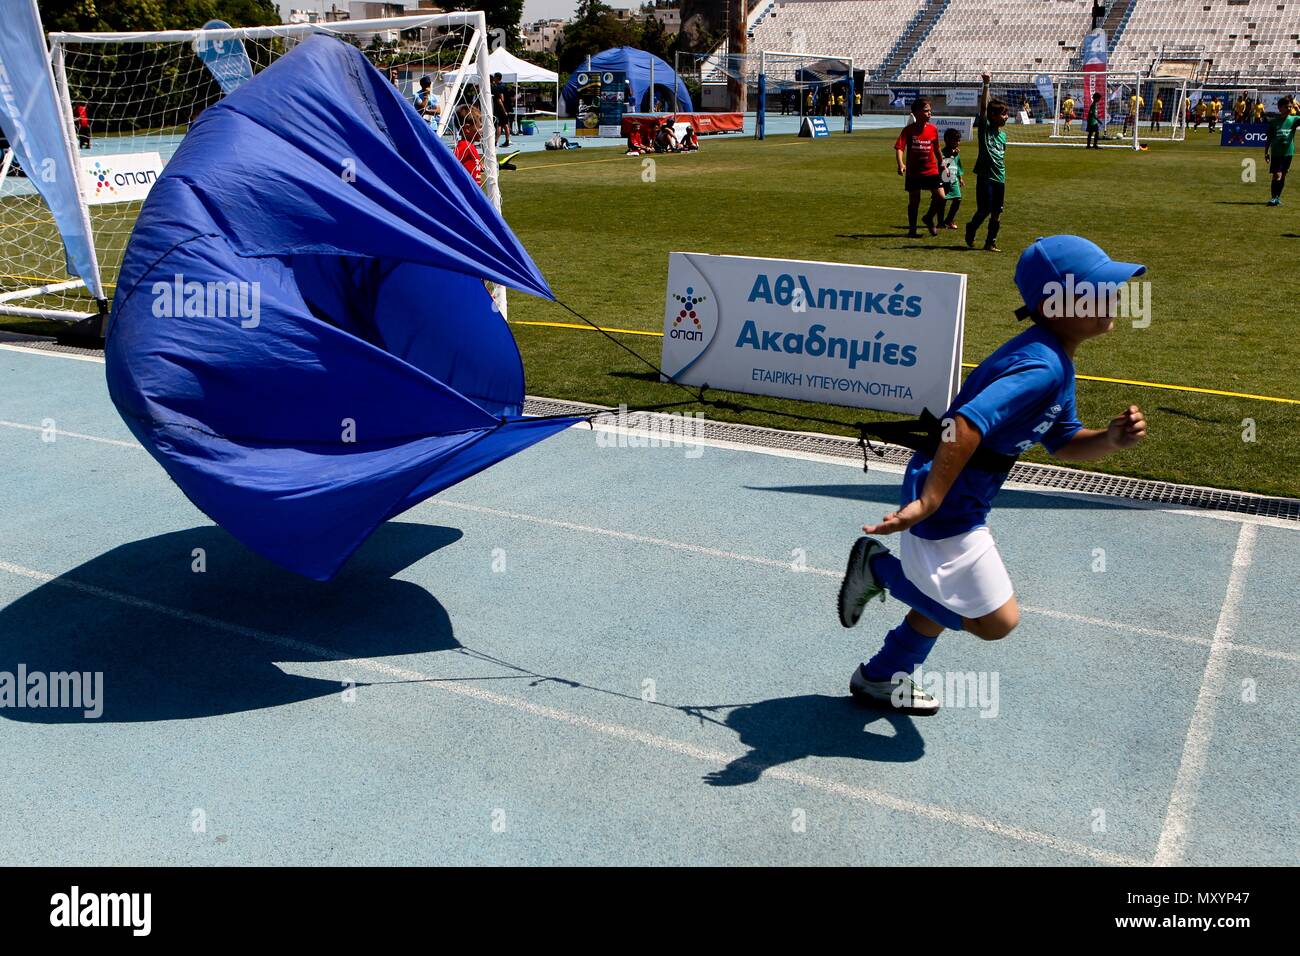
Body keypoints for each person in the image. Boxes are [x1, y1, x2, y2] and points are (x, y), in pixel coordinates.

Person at [836, 235, 1148, 714]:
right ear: (1056, 303)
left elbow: (1062, 440)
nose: (1113, 297)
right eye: (1098, 288)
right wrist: (933, 500)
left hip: (960, 495)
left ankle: (881, 677)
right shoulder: (1042, 365)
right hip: (949, 501)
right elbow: (964, 425)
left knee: (947, 598)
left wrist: (1109, 439)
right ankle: (876, 568)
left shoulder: (1054, 359)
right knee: (995, 621)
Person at [965, 73, 1008, 251]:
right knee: (984, 210)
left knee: (997, 212)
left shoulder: (1003, 136)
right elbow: (983, 110)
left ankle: (990, 242)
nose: (1006, 117)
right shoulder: (985, 131)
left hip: (1000, 178)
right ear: (993, 116)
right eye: (1003, 114)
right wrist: (986, 84)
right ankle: (971, 228)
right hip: (985, 177)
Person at [894, 96, 945, 238]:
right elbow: (899, 148)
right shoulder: (908, 130)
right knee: (914, 201)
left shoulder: (933, 129)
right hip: (914, 172)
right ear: (916, 112)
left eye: (930, 111)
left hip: (931, 169)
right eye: (926, 111)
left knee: (941, 197)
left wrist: (942, 163)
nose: (930, 113)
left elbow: (937, 148)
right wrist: (901, 163)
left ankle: (929, 217)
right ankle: (912, 229)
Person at [1265, 95, 1300, 206]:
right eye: (1287, 107)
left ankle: (1277, 197)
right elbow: (1269, 138)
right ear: (1280, 108)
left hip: (1288, 152)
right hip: (1276, 153)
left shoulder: (1294, 119)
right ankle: (1274, 197)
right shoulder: (1274, 122)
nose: (1289, 108)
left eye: (1290, 106)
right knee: (1277, 175)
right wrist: (1266, 152)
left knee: (1283, 175)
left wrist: (1298, 108)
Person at [939, 127, 964, 230]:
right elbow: (943, 165)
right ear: (947, 140)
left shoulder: (956, 153)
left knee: (957, 199)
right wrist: (953, 156)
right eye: (955, 140)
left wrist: (960, 178)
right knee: (942, 201)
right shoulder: (942, 153)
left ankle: (949, 219)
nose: (958, 143)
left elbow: (958, 166)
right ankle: (940, 222)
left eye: (959, 140)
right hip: (944, 181)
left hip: (954, 181)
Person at [453, 105, 484, 185]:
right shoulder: (464, 146)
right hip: (466, 194)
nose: (482, 130)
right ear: (467, 128)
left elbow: (476, 167)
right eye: (480, 127)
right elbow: (452, 163)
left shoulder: (471, 146)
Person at [491, 72, 512, 146]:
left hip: (501, 108)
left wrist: (503, 109)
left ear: (497, 78)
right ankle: (507, 140)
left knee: (499, 125)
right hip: (506, 107)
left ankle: (496, 141)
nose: (493, 78)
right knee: (505, 124)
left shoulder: (498, 87)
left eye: (494, 77)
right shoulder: (505, 85)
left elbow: (501, 99)